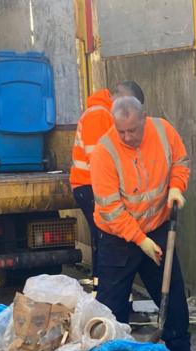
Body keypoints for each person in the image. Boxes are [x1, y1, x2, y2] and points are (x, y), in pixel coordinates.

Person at [89, 96, 194, 351]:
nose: (126, 136)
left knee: (172, 294)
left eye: (132, 130)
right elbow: (111, 211)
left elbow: (180, 162)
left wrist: (176, 188)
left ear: (144, 119)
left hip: (157, 227)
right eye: (120, 130)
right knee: (112, 303)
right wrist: (139, 239)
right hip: (118, 237)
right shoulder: (105, 153)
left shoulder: (163, 131)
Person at [71, 82, 145, 286]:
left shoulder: (103, 113)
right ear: (119, 97)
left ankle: (102, 290)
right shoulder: (99, 115)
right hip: (91, 186)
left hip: (92, 186)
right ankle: (104, 291)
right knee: (106, 238)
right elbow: (98, 161)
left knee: (104, 238)